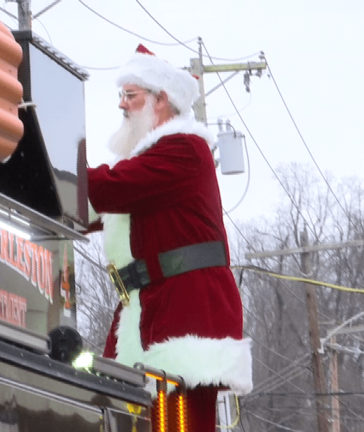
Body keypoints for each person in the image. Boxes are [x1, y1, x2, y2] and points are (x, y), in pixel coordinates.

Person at [87, 45, 252, 432]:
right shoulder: (150, 164)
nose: (122, 104)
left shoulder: (184, 149)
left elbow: (109, 188)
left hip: (185, 313)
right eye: (121, 95)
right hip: (149, 310)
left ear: (161, 100)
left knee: (176, 423)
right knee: (124, 415)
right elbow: (91, 207)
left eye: (130, 95)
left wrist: (55, 166)